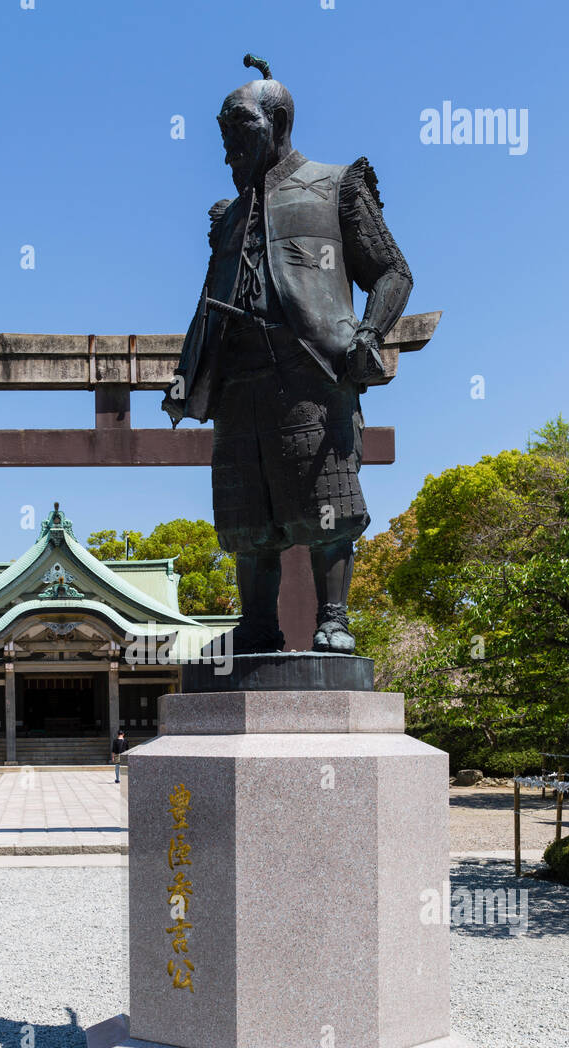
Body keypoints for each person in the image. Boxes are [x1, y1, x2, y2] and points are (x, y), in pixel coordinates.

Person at [163, 54, 413, 654]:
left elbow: (392, 272)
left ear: (276, 122)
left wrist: (369, 334)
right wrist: (188, 373)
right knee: (247, 519)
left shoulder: (335, 185)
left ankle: (334, 619)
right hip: (238, 381)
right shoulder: (228, 216)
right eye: (222, 136)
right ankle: (257, 626)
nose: (228, 149)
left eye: (239, 131)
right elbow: (209, 300)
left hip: (311, 371)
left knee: (328, 504)